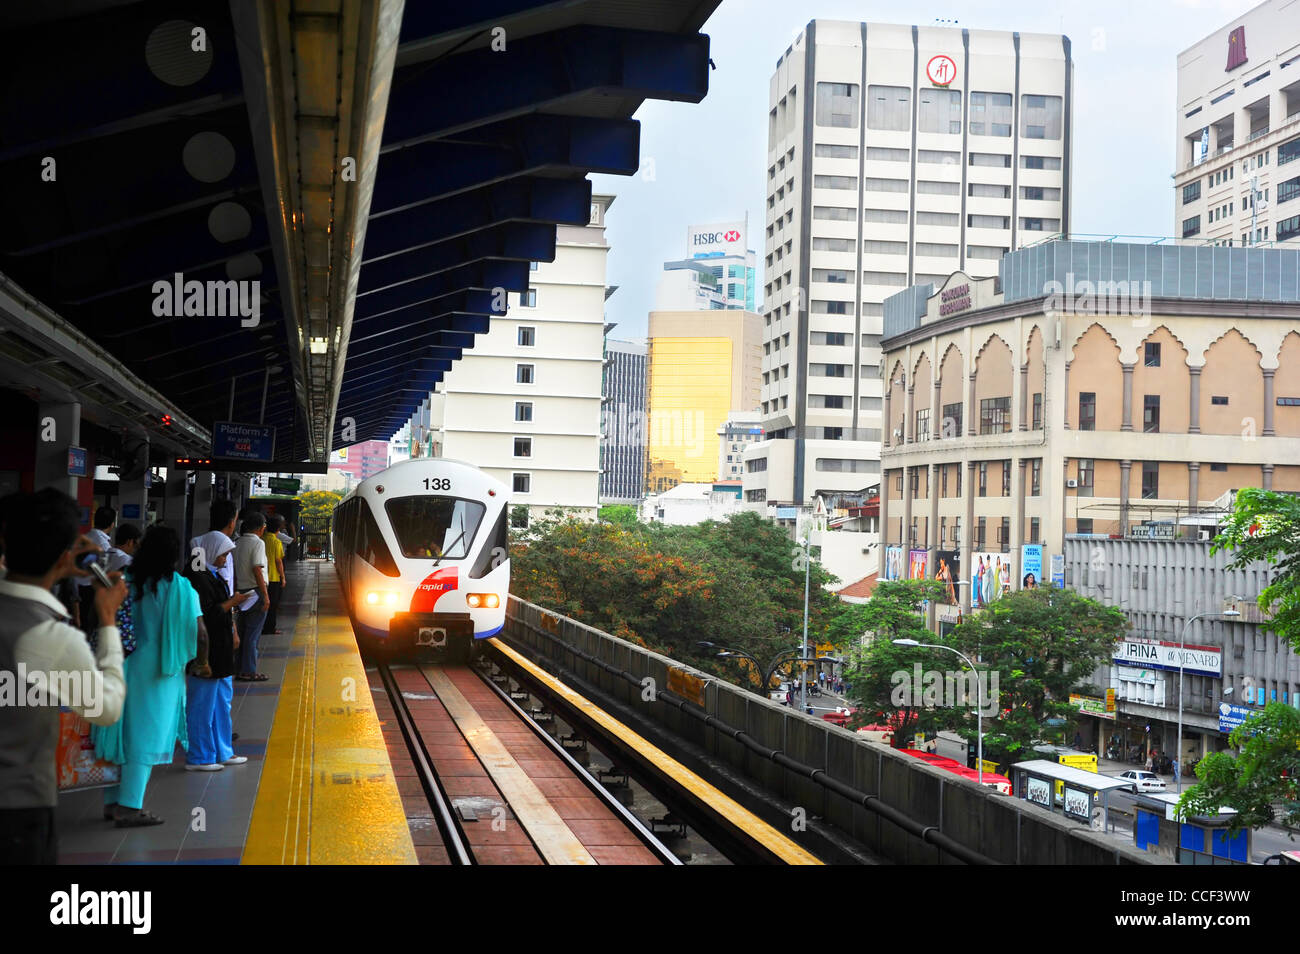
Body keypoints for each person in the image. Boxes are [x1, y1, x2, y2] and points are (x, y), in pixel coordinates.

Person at [0, 488, 127, 861]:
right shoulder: (52, 637)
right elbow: (107, 709)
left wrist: (59, 561)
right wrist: (107, 621)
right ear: (63, 556)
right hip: (17, 811)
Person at [92, 526, 201, 826]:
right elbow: (199, 631)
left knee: (119, 733)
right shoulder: (181, 588)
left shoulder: (124, 581)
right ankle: (130, 806)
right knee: (144, 737)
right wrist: (201, 662)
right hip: (159, 673)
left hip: (120, 664)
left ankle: (112, 801)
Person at [183, 532, 247, 771]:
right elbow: (204, 615)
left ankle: (222, 751)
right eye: (223, 553)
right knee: (201, 705)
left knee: (221, 704)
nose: (225, 558)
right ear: (210, 550)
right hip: (205, 652)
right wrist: (233, 602)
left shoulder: (210, 574)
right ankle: (199, 756)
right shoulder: (195, 577)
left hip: (219, 649)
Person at [233, 512, 270, 682]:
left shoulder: (236, 543)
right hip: (255, 592)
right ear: (261, 528)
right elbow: (257, 569)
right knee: (252, 634)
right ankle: (249, 671)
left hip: (240, 592)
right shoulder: (258, 543)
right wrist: (265, 595)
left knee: (242, 631)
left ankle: (239, 668)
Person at [78, 505, 116, 636]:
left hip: (77, 588)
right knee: (89, 626)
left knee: (80, 624)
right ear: (112, 524)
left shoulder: (84, 537)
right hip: (91, 590)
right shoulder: (104, 545)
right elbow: (103, 573)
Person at [263, 515, 286, 635]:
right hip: (273, 577)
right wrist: (283, 577)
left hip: (261, 578)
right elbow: (278, 561)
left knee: (262, 603)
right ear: (278, 529)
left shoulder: (261, 539)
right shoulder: (277, 542)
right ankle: (270, 628)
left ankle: (261, 626)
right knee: (272, 604)